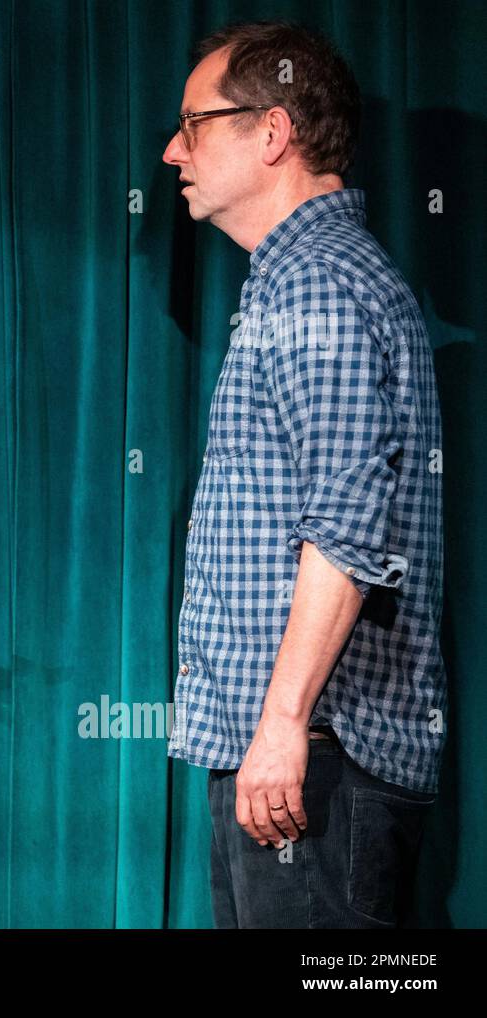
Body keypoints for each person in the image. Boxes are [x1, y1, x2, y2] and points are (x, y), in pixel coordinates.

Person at [161, 21, 444, 928]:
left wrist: (282, 725)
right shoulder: (296, 282)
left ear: (272, 132)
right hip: (295, 761)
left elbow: (346, 523)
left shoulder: (319, 284)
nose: (173, 151)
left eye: (193, 124)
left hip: (316, 764)